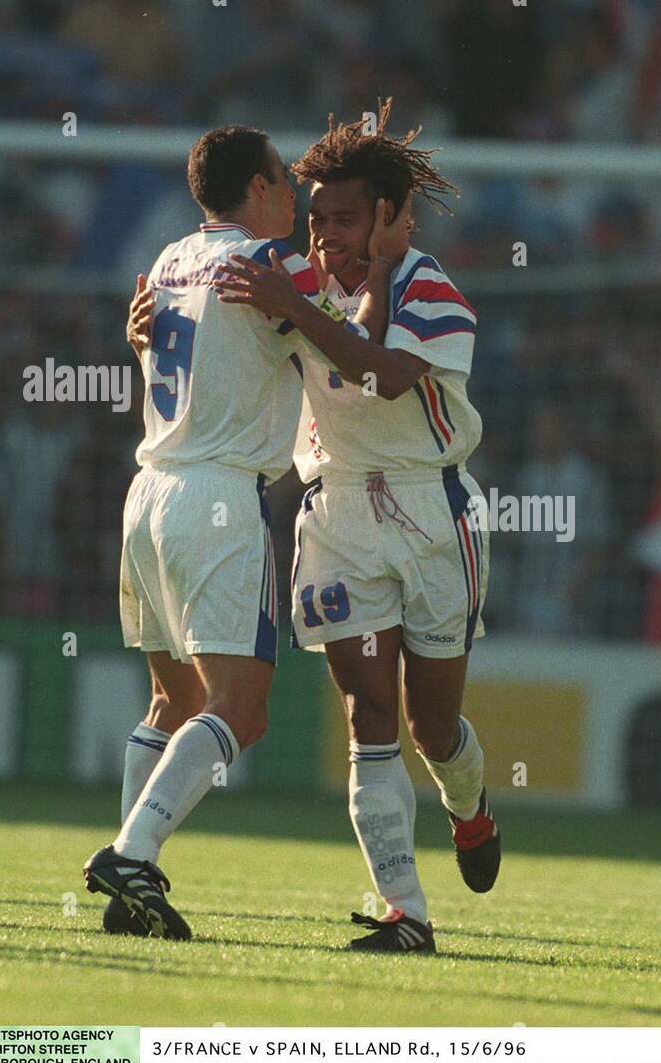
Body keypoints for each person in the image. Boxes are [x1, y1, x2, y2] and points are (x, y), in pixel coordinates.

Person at [204, 100, 499, 955]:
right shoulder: (295, 282)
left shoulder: (430, 287)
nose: (326, 234)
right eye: (318, 217)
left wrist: (297, 310)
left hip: (429, 512)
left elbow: (383, 375)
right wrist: (142, 327)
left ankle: (470, 808)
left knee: (431, 727)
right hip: (334, 512)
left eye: (345, 218)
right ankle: (406, 912)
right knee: (368, 713)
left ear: (390, 216)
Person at [88, 125, 391, 940]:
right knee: (240, 711)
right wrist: (387, 264)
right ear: (255, 189)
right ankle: (134, 855)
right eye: (285, 185)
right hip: (220, 498)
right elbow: (356, 346)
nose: (297, 202)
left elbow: (166, 343)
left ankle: (130, 894)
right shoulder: (273, 264)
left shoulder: (166, 260)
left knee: (172, 696)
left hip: (148, 490)